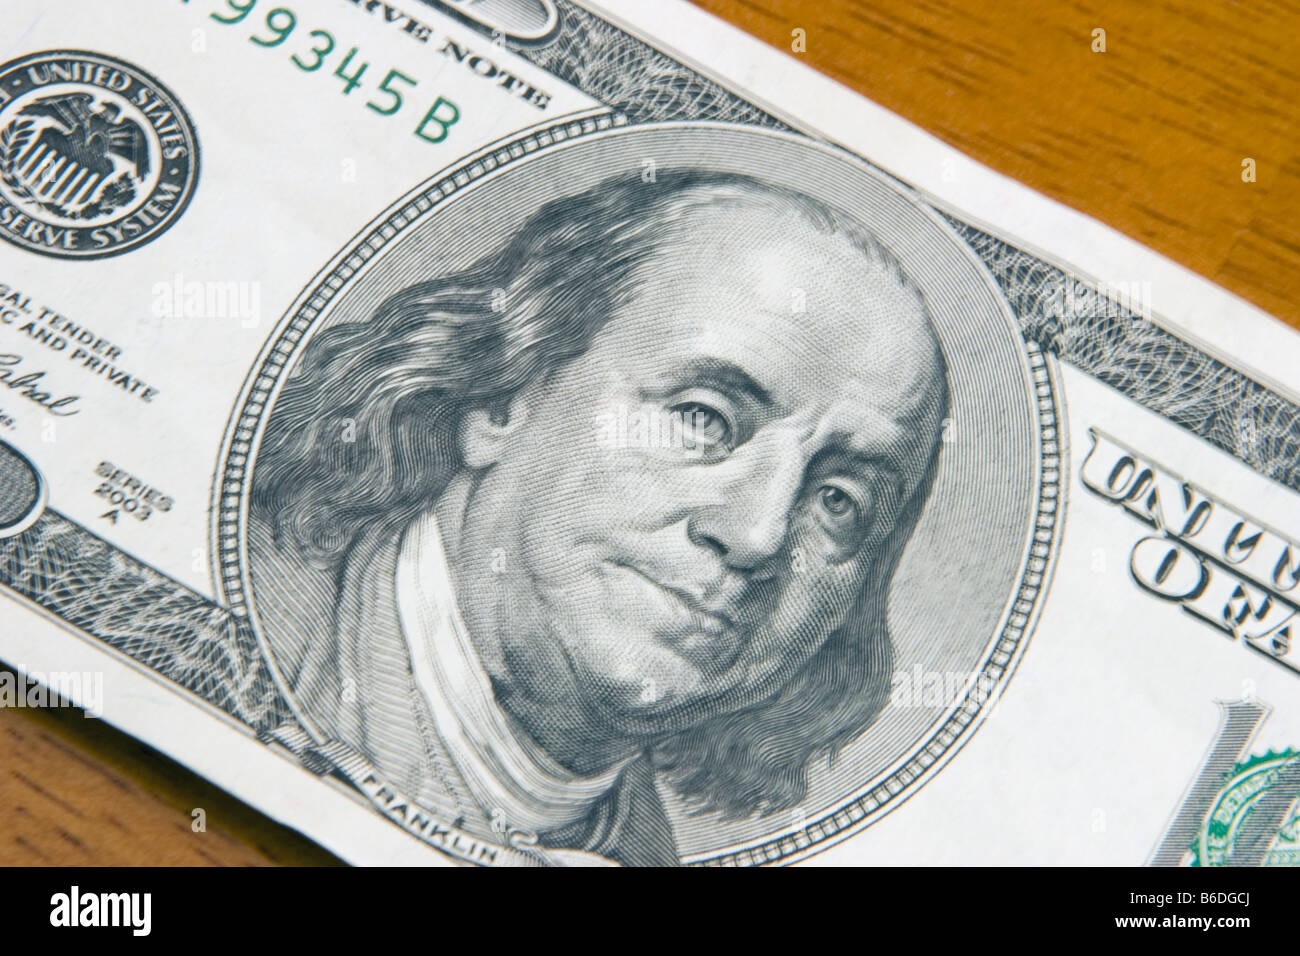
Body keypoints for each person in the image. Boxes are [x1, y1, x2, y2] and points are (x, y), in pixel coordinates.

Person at [249, 169, 949, 866]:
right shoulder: (251, 640)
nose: (757, 535)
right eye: (703, 417)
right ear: (506, 395)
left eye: (839, 500)